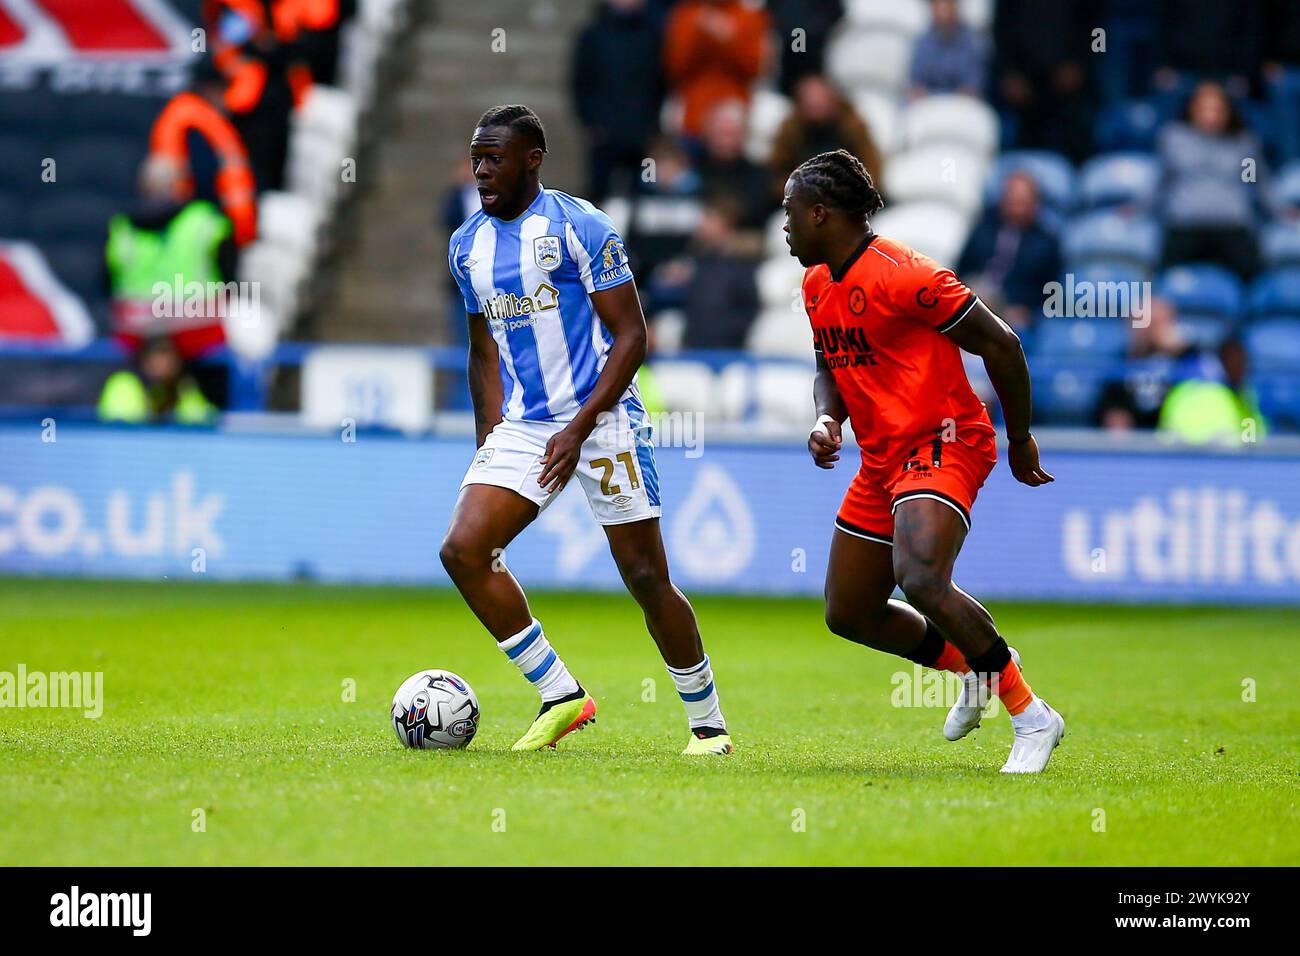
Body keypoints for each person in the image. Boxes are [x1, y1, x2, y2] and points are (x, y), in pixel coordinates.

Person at [443, 105, 733, 755]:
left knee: (645, 577)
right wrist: (489, 436)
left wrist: (578, 429)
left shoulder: (582, 226)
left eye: (494, 158)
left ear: (532, 159)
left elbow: (633, 336)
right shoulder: (467, 246)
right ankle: (561, 694)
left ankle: (709, 726)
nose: (482, 170)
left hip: (604, 420)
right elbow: (482, 350)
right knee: (464, 551)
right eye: (476, 158)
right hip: (526, 425)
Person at [783, 150, 1063, 774]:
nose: (785, 226)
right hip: (882, 455)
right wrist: (829, 418)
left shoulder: (907, 276)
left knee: (921, 577)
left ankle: (1032, 714)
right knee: (848, 612)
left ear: (822, 214)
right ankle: (974, 664)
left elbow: (1002, 343)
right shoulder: (815, 283)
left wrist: (1019, 438)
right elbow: (831, 363)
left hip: (946, 438)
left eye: (791, 213)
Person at [1159, 81, 1265, 280]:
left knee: (1254, 277)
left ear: (1228, 111)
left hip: (1232, 223)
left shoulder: (1245, 142)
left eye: (1216, 109)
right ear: (1191, 109)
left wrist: (1280, 210)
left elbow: (1254, 183)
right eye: (1203, 108)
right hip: (1185, 223)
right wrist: (1138, 208)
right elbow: (1163, 182)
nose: (1210, 115)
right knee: (1163, 278)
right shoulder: (1173, 137)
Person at [571, 0, 666, 201]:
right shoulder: (592, 35)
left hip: (641, 135)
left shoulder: (652, 35)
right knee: (599, 194)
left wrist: (653, 126)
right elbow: (580, 82)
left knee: (643, 193)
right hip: (604, 133)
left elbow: (660, 83)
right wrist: (590, 123)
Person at [955, 171, 1061, 329]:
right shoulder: (983, 229)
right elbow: (963, 267)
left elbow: (1049, 289)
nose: (1017, 207)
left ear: (1035, 204)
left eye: (1022, 202)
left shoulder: (1045, 242)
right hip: (975, 296)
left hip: (1013, 309)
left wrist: (1029, 309)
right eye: (1012, 200)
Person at [662, 0, 769, 140]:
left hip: (734, 120)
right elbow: (675, 67)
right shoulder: (686, 15)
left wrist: (729, 39)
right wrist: (699, 34)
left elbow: (756, 68)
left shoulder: (749, 15)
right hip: (694, 118)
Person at [768, 74, 883, 203]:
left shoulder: (853, 127)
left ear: (832, 100)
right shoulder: (791, 131)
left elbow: (873, 169)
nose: (816, 111)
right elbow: (775, 174)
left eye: (819, 104)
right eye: (810, 106)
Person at [1158, 337, 1268, 444]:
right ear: (1220, 360)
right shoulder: (1192, 392)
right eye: (1232, 359)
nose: (1238, 366)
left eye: (1242, 362)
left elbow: (1253, 439)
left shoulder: (1246, 395)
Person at [98, 335, 219, 424]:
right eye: (156, 364)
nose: (163, 369)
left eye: (169, 364)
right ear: (144, 362)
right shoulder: (123, 383)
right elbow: (121, 428)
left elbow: (200, 420)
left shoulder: (185, 387)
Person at [908, 0, 987, 99]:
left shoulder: (973, 42)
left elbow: (972, 88)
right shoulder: (922, 42)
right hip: (928, 105)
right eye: (939, 5)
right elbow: (915, 86)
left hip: (962, 106)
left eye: (947, 5)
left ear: (956, 8)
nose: (943, 11)